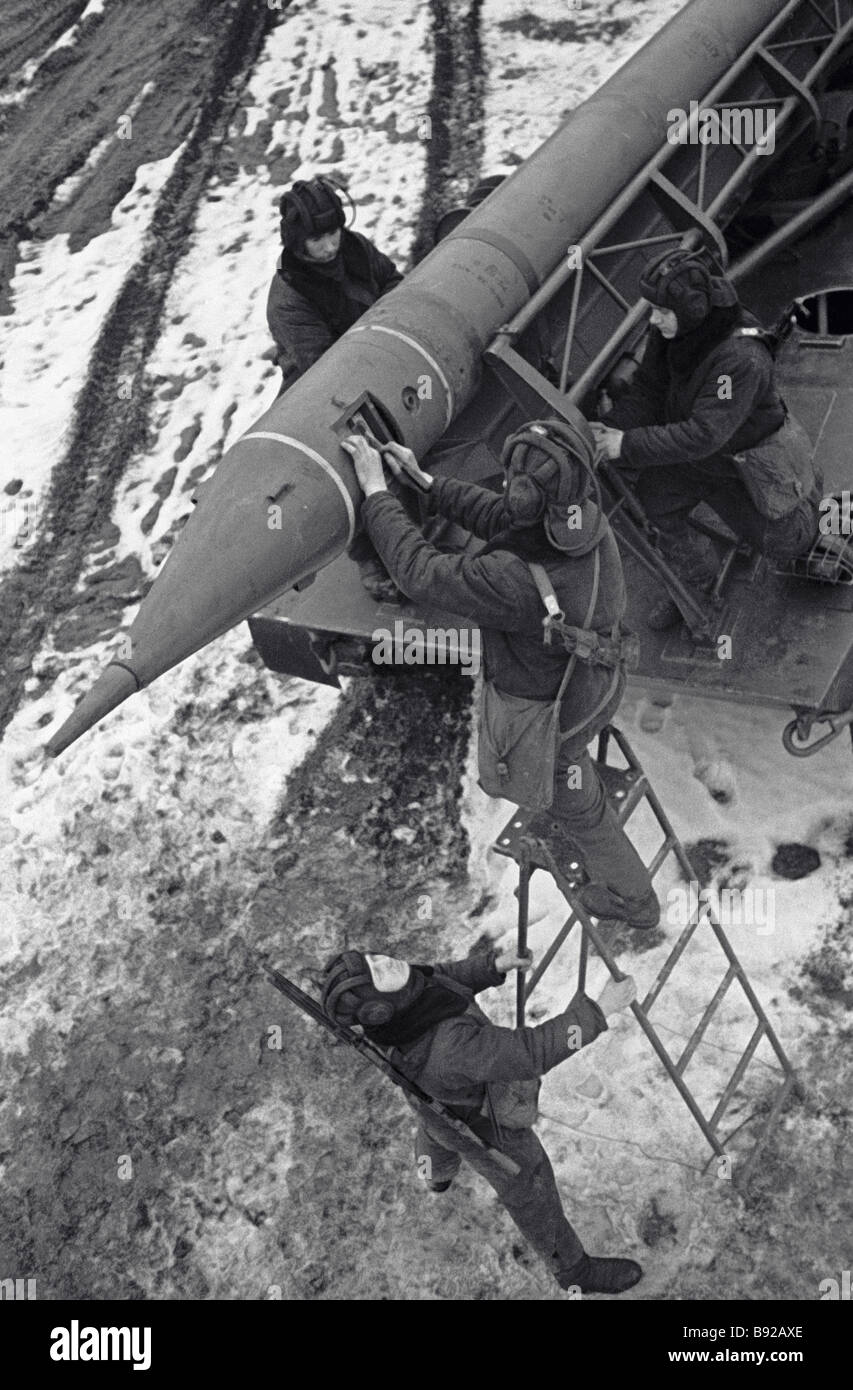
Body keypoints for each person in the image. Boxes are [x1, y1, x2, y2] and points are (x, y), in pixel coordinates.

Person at [341, 420, 660, 930]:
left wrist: (377, 492)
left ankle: (635, 901)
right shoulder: (580, 520)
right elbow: (503, 517)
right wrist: (426, 483)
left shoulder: (516, 584)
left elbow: (420, 572)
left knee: (576, 802)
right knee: (571, 772)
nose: (508, 490)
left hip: (559, 711)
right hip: (597, 675)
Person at [320, 943, 642, 1295]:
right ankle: (575, 1271)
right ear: (379, 1009)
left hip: (435, 1103)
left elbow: (440, 977)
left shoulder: (402, 1003)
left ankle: (436, 1176)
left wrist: (492, 965)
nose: (388, 963)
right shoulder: (450, 1049)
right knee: (529, 1189)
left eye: (375, 958)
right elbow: (529, 1053)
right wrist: (600, 1010)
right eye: (378, 971)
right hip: (485, 1126)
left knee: (435, 1127)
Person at [589, 248, 822, 629]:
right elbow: (649, 389)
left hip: (744, 464)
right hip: (699, 457)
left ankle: (807, 497)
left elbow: (706, 433)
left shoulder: (739, 361)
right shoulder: (675, 329)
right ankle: (697, 583)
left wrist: (624, 445)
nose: (653, 319)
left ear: (694, 308)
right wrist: (608, 429)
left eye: (661, 311)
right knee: (656, 504)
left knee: (788, 543)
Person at [267, 176, 405, 599]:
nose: (329, 247)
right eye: (317, 240)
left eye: (332, 234)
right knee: (347, 466)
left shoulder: (355, 249)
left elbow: (393, 282)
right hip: (320, 385)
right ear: (296, 243)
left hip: (375, 353)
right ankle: (368, 557)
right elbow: (326, 369)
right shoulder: (289, 299)